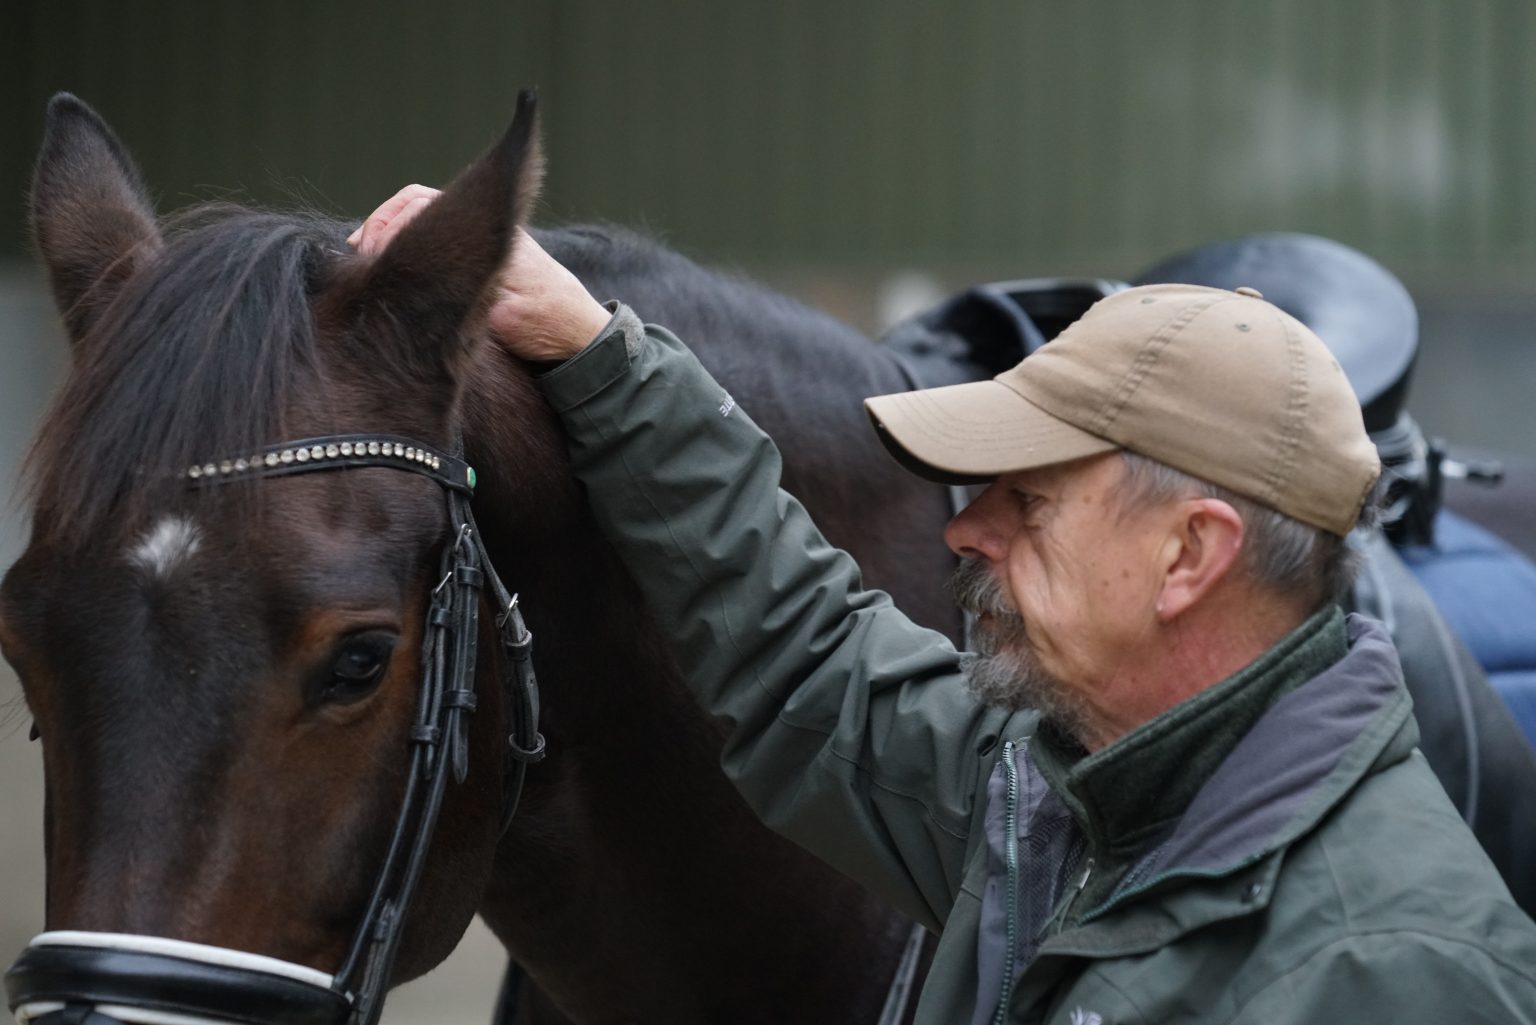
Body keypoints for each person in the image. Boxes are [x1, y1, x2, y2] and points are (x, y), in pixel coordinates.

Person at [352, 191, 1536, 1024]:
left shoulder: (1388, 973)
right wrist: (597, 354)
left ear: (1191, 553)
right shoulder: (1065, 792)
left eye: (1028, 500)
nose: (967, 530)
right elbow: (799, 649)